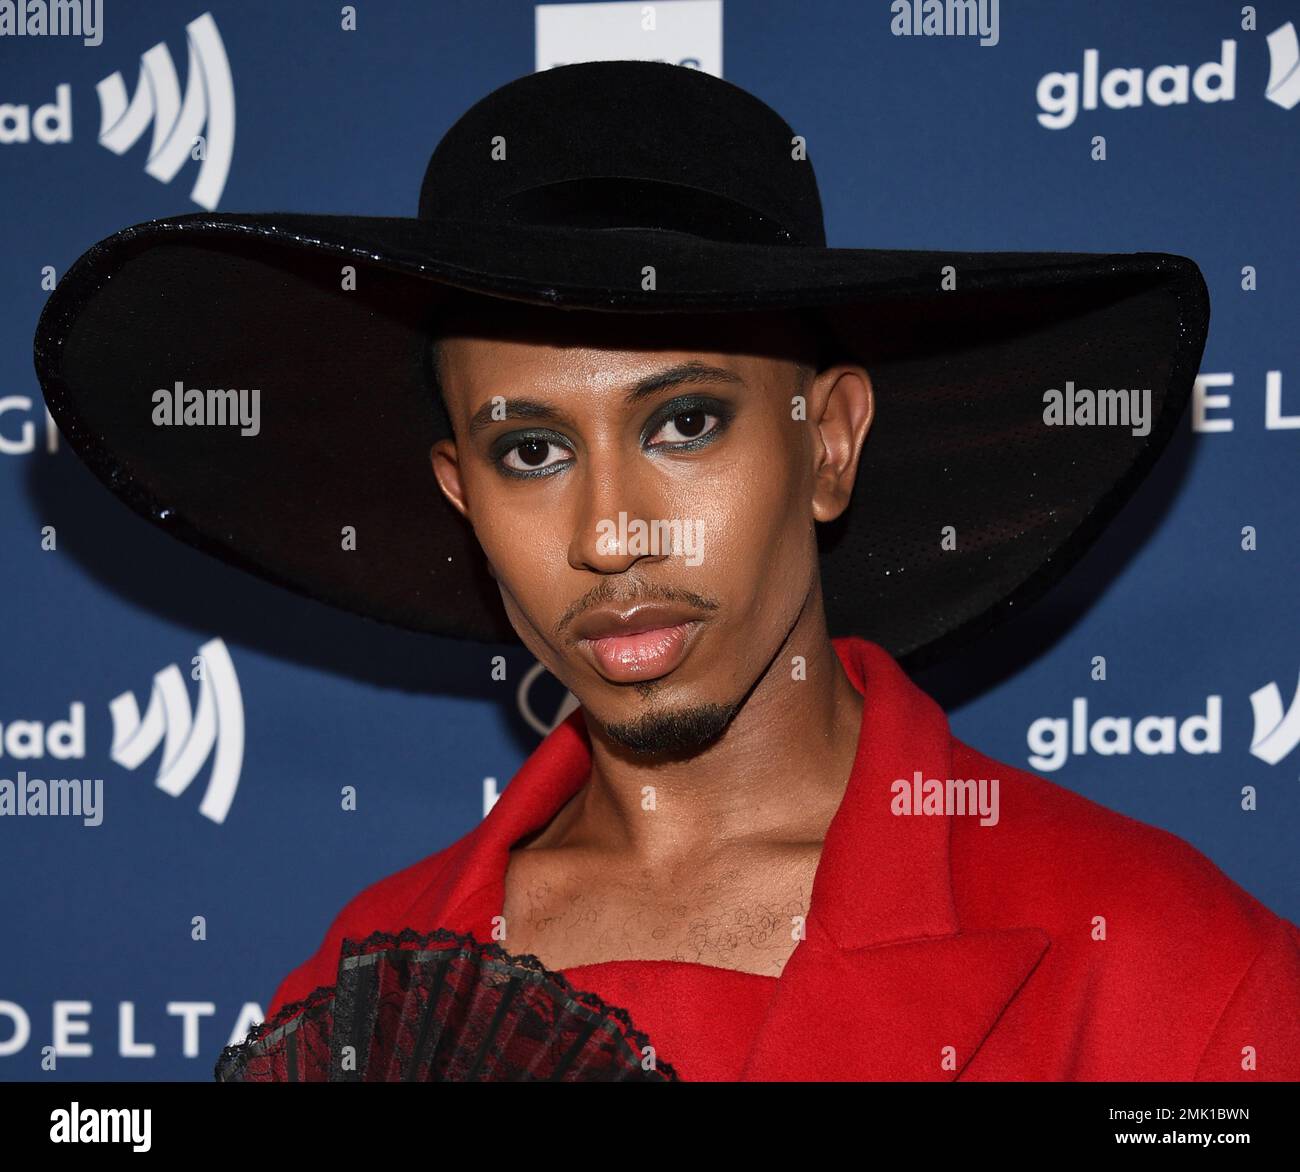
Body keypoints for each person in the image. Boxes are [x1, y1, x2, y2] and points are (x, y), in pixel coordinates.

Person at [33, 60, 1300, 1080]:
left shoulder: (1162, 964)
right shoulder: (356, 991)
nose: (611, 530)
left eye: (683, 421)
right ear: (458, 494)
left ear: (831, 440)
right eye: (529, 448)